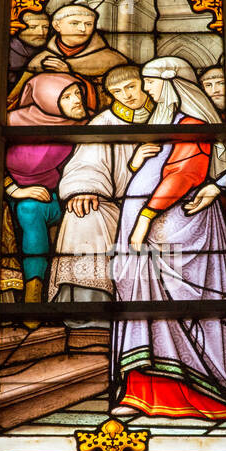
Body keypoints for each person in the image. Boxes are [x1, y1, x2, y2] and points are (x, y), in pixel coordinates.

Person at [110, 57, 226, 420]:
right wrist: (135, 164)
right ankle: (141, 392)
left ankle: (192, 393)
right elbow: (156, 167)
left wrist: (145, 218)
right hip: (150, 225)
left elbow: (185, 174)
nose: (145, 90)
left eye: (149, 82)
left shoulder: (193, 124)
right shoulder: (166, 124)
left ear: (170, 84)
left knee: (177, 301)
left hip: (175, 226)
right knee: (139, 297)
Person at [49, 64, 154, 304]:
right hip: (118, 205)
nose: (127, 96)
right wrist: (85, 188)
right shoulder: (103, 122)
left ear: (145, 84)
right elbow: (86, 163)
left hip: (166, 201)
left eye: (131, 87)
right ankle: (88, 302)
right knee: (84, 213)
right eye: (118, 92)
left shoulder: (167, 114)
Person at [4, 73, 90, 302]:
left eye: (77, 93)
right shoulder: (11, 122)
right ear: (47, 100)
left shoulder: (85, 124)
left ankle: (74, 294)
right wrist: (15, 190)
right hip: (13, 195)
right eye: (67, 96)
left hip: (60, 196)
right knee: (28, 209)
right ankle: (34, 290)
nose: (77, 100)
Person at [15, 3, 129, 108]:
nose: (83, 29)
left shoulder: (113, 60)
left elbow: (117, 100)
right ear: (57, 26)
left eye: (88, 24)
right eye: (75, 23)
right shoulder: (39, 60)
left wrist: (70, 74)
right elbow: (17, 99)